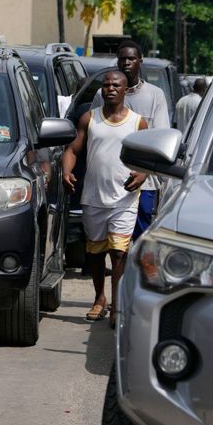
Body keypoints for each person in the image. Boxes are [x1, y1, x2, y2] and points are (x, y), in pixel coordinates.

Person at [64, 70, 148, 327]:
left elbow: (147, 157)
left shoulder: (138, 122)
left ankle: (117, 306)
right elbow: (73, 149)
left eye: (116, 85)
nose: (110, 89)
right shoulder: (89, 118)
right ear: (102, 90)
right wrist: (66, 170)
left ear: (125, 90)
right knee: (96, 253)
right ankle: (99, 299)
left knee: (119, 252)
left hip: (124, 199)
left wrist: (143, 174)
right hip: (93, 197)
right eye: (107, 85)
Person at [91, 40, 170, 236]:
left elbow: (160, 138)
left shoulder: (154, 95)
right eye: (122, 59)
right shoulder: (102, 95)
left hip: (142, 181)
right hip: (106, 181)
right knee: (107, 241)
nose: (126, 63)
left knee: (141, 234)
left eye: (131, 58)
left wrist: (145, 172)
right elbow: (91, 131)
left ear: (140, 61)